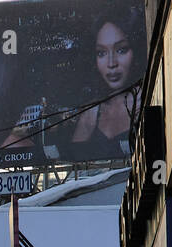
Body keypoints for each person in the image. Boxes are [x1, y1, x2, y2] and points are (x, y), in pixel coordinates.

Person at [69, 12, 143, 159]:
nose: (111, 63)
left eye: (121, 50)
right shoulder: (91, 112)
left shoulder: (151, 97)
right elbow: (76, 159)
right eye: (101, 53)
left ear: (136, 50)